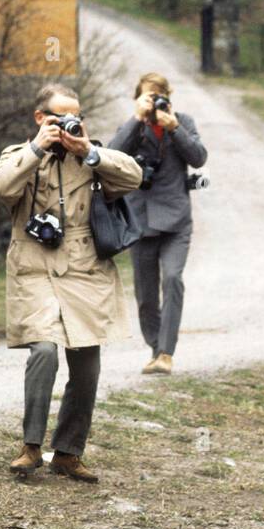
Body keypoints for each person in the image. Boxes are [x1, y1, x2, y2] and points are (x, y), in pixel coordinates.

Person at [0, 82, 145, 482]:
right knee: (43, 351)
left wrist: (88, 150)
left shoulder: (92, 158)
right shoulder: (21, 155)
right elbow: (0, 186)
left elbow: (133, 177)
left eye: (76, 116)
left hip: (84, 266)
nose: (68, 124)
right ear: (40, 118)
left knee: (87, 363)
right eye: (59, 117)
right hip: (35, 264)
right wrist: (39, 147)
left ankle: (69, 451)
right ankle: (31, 446)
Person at [106, 71, 207, 375]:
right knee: (146, 292)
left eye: (158, 97)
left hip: (176, 219)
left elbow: (199, 157)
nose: (154, 104)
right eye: (148, 97)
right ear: (138, 99)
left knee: (173, 278)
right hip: (141, 219)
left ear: (169, 99)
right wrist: (138, 120)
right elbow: (111, 155)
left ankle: (166, 353)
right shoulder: (132, 126)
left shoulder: (183, 122)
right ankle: (155, 348)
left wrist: (174, 128)